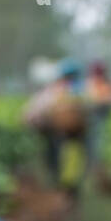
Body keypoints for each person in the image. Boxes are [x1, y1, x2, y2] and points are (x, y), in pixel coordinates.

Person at [23, 59, 88, 193]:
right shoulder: (58, 91)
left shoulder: (61, 91)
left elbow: (30, 113)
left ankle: (64, 185)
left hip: (65, 133)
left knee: (62, 159)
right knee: (62, 158)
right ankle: (65, 185)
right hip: (60, 133)